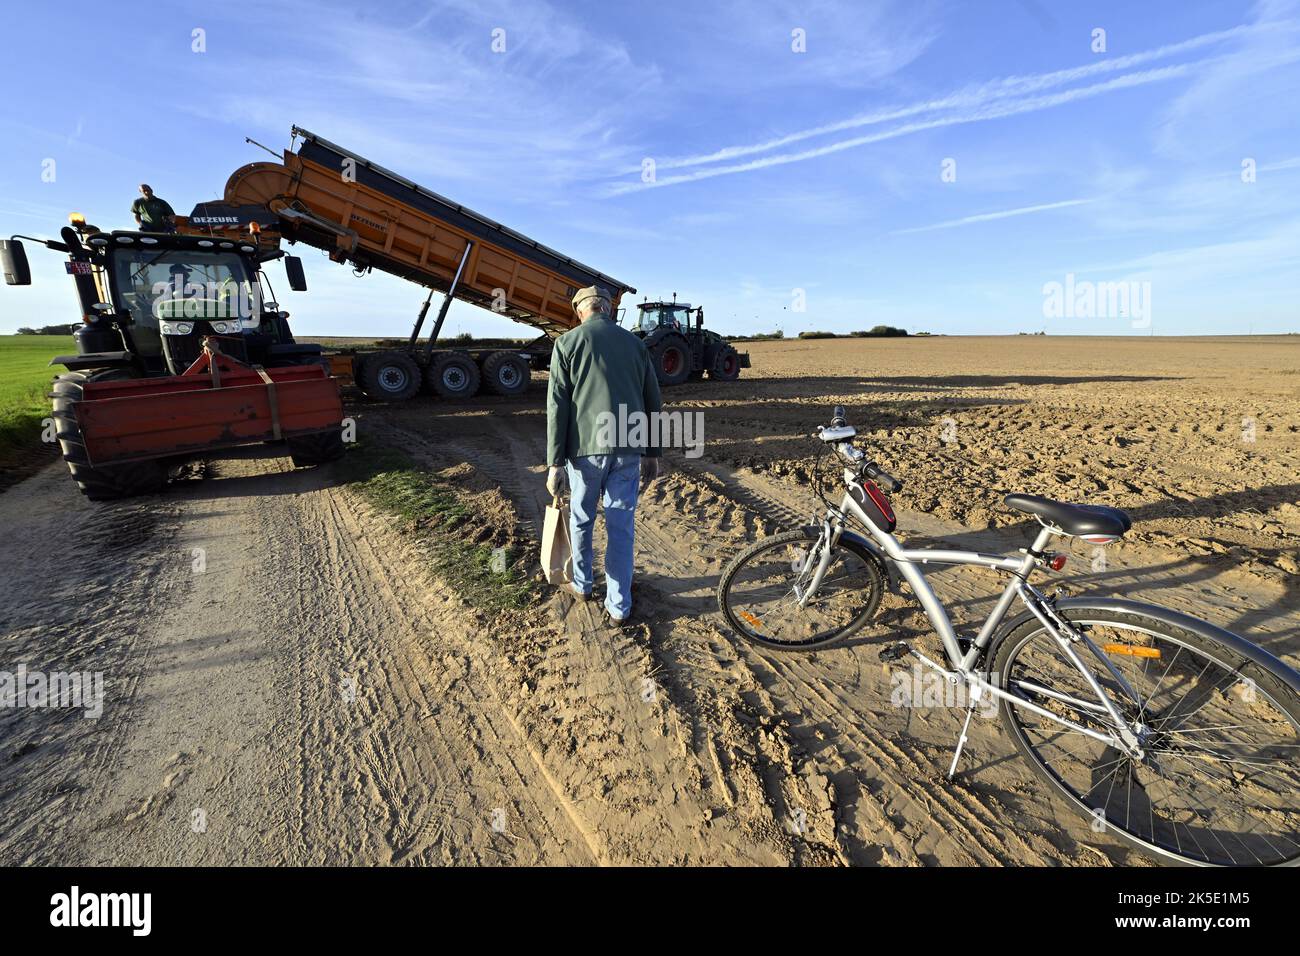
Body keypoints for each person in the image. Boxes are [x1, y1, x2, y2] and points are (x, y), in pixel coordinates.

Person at [546, 285, 662, 626]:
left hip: (585, 450)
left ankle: (582, 586)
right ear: (609, 310)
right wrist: (652, 453)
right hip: (627, 446)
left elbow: (558, 406)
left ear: (580, 311)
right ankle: (619, 607)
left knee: (582, 520)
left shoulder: (566, 344)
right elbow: (653, 401)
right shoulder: (636, 345)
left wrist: (554, 462)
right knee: (621, 526)